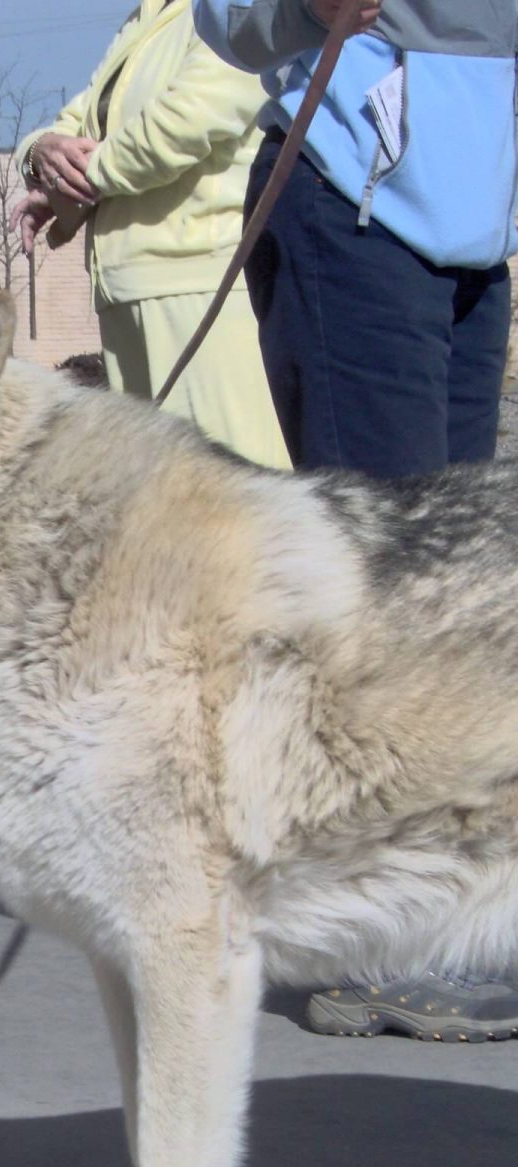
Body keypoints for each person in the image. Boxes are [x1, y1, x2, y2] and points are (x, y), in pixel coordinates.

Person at [194, 0, 518, 1040]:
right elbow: (225, 17)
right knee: (383, 606)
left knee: (458, 608)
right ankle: (376, 952)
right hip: (350, 205)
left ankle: (444, 914)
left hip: (475, 232)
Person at [11, 0, 289, 469]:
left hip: (201, 288)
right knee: (156, 500)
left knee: (228, 499)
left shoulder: (238, 10)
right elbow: (80, 120)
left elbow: (183, 124)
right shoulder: (147, 18)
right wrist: (38, 153)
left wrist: (74, 184)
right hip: (124, 293)